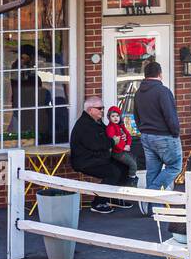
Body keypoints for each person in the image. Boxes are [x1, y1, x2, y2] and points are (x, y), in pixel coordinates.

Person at [69, 96, 131, 213]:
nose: (102, 110)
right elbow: (96, 145)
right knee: (113, 172)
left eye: (103, 108)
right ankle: (98, 203)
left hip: (99, 158)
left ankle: (114, 197)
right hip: (85, 161)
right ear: (90, 110)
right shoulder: (84, 125)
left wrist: (119, 135)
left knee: (124, 166)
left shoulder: (96, 121)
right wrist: (113, 141)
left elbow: (107, 134)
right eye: (99, 108)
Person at [134, 60, 182, 191]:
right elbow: (170, 116)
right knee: (175, 166)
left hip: (146, 136)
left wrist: (143, 130)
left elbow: (136, 116)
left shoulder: (138, 93)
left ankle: (152, 207)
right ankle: (153, 192)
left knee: (152, 172)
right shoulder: (163, 91)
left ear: (145, 75)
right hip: (164, 136)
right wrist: (176, 133)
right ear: (160, 74)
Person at [104, 105, 137, 181]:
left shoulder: (121, 126)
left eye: (117, 116)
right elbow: (114, 142)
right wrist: (123, 148)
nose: (116, 118)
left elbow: (128, 135)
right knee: (133, 165)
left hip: (124, 150)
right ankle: (131, 181)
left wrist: (128, 144)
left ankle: (126, 179)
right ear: (109, 117)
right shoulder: (110, 128)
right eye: (113, 116)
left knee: (134, 159)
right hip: (117, 152)